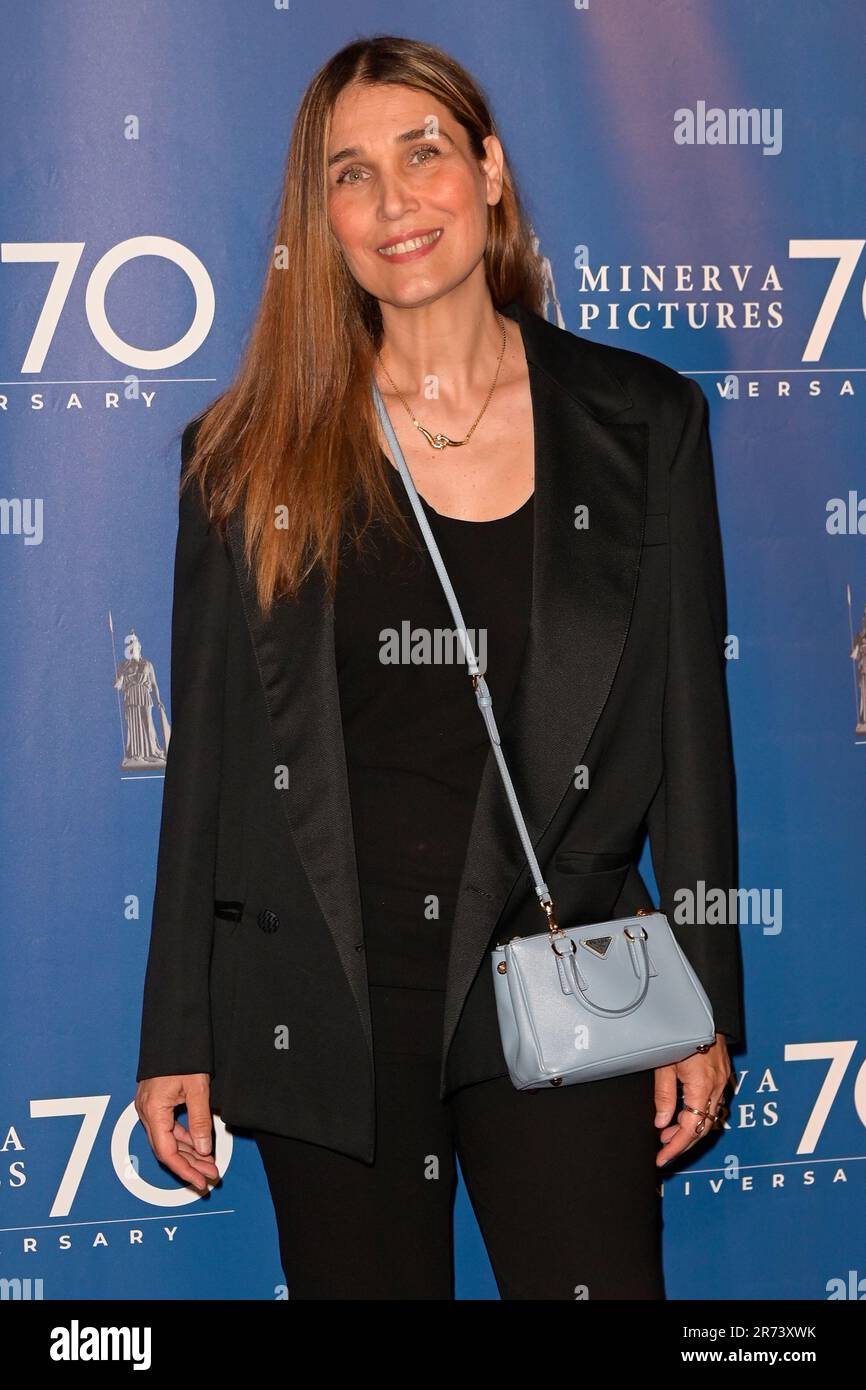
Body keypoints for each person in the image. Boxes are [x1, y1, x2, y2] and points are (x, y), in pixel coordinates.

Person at [134, 34, 744, 1300]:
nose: (396, 200)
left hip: (557, 970)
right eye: (351, 175)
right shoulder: (244, 460)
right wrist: (178, 1032)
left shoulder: (645, 424)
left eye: (423, 153)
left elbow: (693, 738)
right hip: (326, 997)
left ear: (490, 169)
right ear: (325, 223)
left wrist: (706, 996)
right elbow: (209, 762)